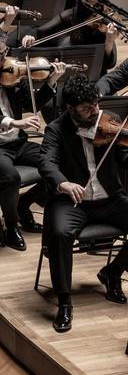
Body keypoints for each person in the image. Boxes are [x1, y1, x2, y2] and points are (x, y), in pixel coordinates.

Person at [39, 75, 128, 332]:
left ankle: (113, 272)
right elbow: (46, 163)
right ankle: (64, 301)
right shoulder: (57, 129)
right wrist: (64, 184)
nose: (94, 111)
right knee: (60, 233)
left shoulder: (110, 121)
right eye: (86, 108)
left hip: (110, 200)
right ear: (70, 108)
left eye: (95, 104)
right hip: (71, 202)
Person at [0, 37, 64, 249]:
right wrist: (16, 122)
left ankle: (23, 206)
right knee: (10, 177)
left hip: (17, 143)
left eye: (3, 53)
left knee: (59, 162)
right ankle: (11, 227)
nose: (3, 60)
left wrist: (51, 81)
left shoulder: (10, 74)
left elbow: (29, 104)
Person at [18, 0, 120, 72]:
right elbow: (39, 31)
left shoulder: (108, 18)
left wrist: (109, 41)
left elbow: (109, 64)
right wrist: (30, 36)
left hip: (97, 71)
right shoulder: (73, 14)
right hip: (74, 68)